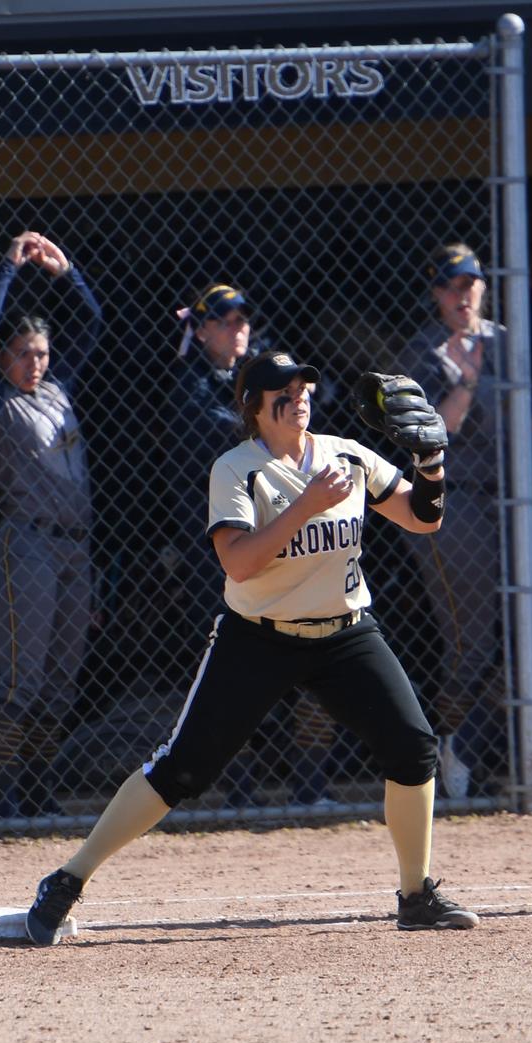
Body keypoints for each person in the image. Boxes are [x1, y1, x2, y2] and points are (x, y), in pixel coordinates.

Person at [20, 351, 476, 944]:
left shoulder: (345, 454)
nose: (301, 395)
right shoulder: (238, 468)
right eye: (284, 390)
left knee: (414, 747)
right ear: (254, 406)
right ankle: (67, 878)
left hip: (343, 632)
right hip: (257, 636)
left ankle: (416, 895)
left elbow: (422, 518)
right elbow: (238, 561)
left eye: (305, 386)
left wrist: (432, 464)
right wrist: (306, 506)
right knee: (181, 768)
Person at [165, 283, 339, 807]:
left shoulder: (258, 380)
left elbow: (312, 398)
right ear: (199, 329)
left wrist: (281, 400)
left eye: (241, 319)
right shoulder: (189, 386)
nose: (236, 328)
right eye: (222, 320)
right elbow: (232, 431)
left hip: (283, 540)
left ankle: (309, 786)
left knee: (313, 650)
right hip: (222, 550)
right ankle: (240, 789)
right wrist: (273, 414)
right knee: (236, 671)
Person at [0, 231, 104, 818]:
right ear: (5, 357)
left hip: (76, 546)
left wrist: (63, 270)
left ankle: (38, 787)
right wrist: (6, 269)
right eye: (24, 352)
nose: (35, 362)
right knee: (21, 678)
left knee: (61, 680)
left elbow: (93, 322)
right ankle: (1, 794)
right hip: (24, 541)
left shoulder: (57, 390)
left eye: (42, 352)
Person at [397, 243, 509, 800]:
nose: (462, 294)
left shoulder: (504, 341)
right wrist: (466, 380)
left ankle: (491, 751)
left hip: (513, 498)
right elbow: (430, 435)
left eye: (471, 283)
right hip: (453, 501)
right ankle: (451, 747)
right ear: (435, 293)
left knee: (530, 631)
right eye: (451, 285)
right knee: (471, 637)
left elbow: (530, 421)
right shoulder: (423, 353)